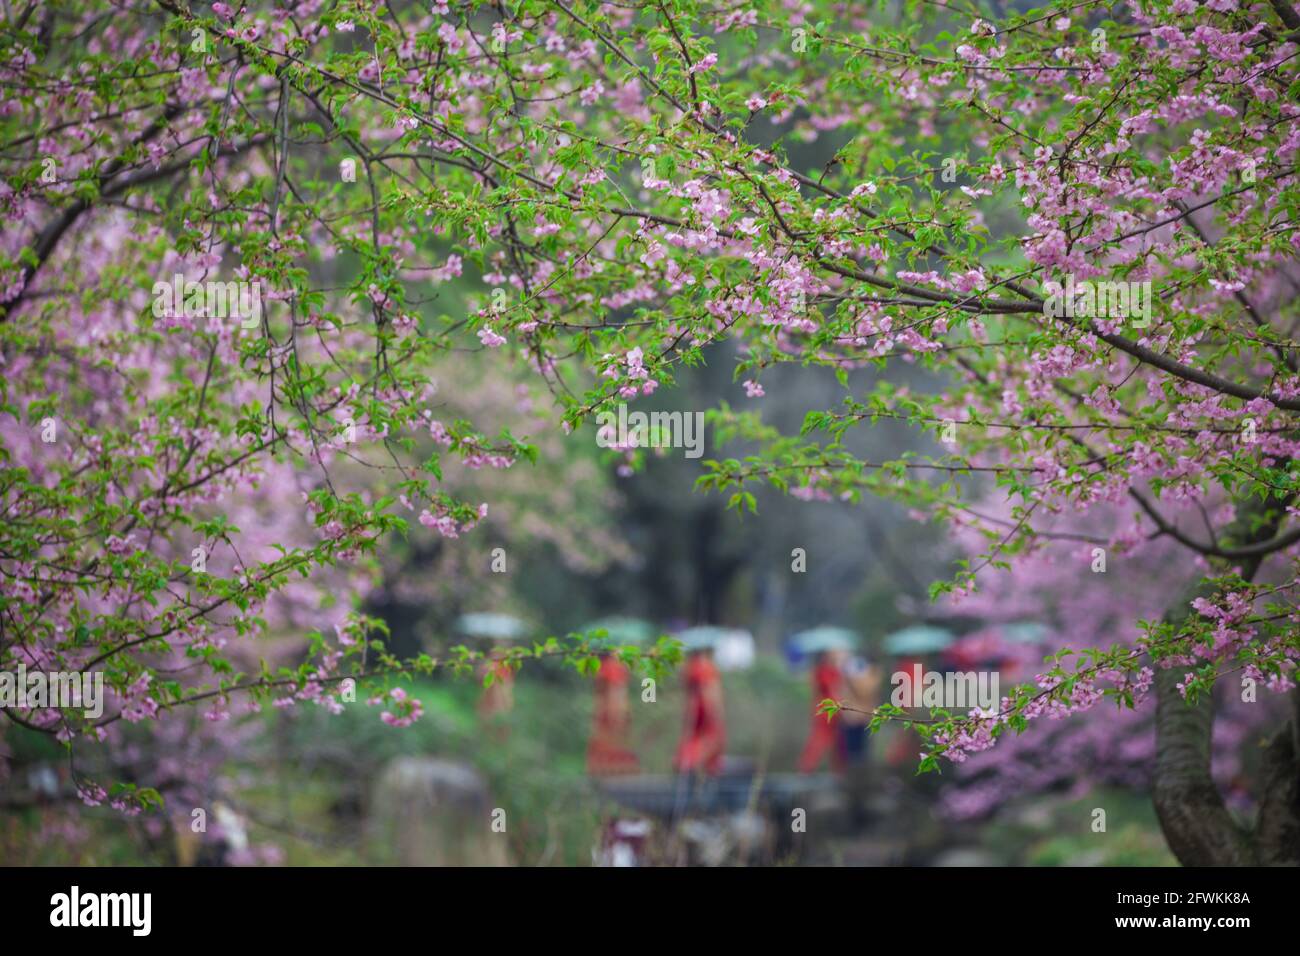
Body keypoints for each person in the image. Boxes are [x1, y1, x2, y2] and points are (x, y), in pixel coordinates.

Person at [673, 647, 725, 775]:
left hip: (697, 713)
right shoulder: (705, 667)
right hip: (704, 713)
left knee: (693, 745)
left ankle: (689, 769)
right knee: (706, 747)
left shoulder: (690, 667)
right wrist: (716, 717)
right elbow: (709, 695)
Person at [587, 653, 639, 775]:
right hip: (609, 711)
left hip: (611, 711)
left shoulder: (611, 665)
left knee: (612, 743)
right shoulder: (607, 664)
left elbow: (616, 690)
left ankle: (613, 771)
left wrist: (616, 712)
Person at [798, 648, 847, 773]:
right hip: (827, 711)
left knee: (837, 742)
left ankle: (837, 770)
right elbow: (832, 691)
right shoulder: (825, 671)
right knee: (821, 740)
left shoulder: (831, 671)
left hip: (829, 710)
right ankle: (807, 768)